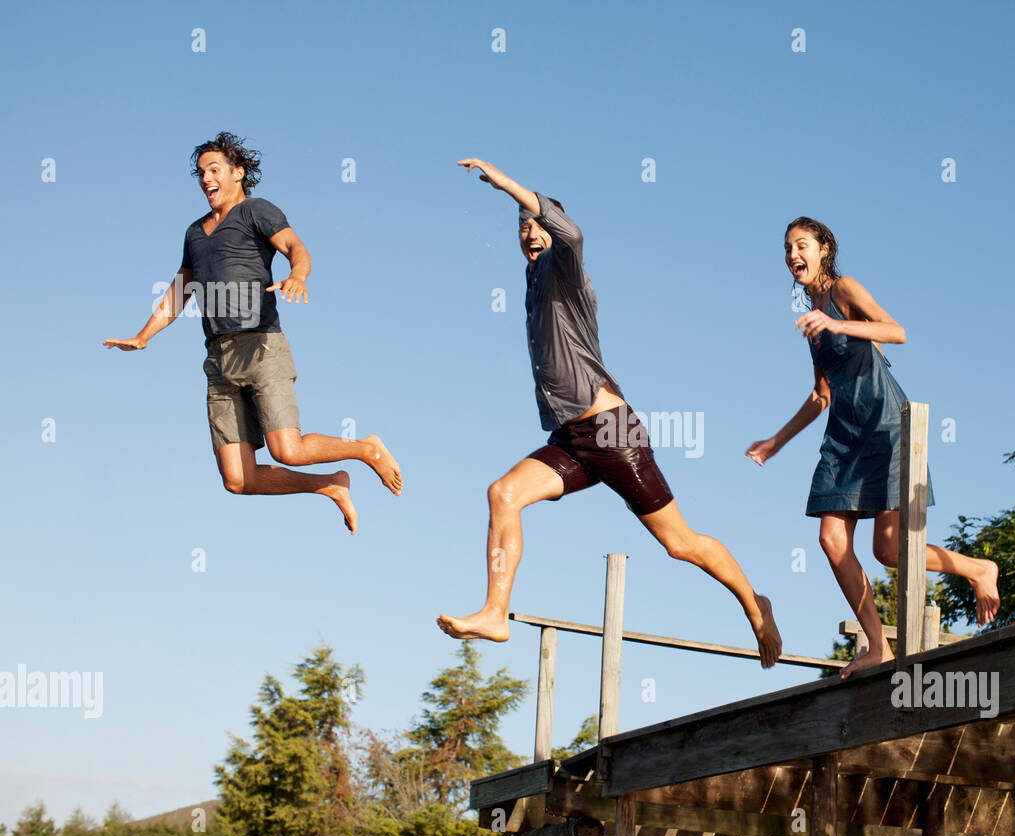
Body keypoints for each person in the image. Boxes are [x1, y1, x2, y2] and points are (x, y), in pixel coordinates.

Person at [437, 158, 783, 667]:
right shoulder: (532, 282)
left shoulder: (566, 270)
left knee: (679, 543)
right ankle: (495, 611)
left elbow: (571, 234)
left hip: (612, 432)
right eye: (521, 228)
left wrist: (508, 185)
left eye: (536, 224)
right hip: (572, 440)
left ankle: (756, 604)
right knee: (503, 494)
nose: (529, 233)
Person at [104, 132, 401, 534]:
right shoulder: (194, 233)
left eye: (214, 169)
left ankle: (365, 448)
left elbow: (296, 246)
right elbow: (180, 289)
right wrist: (144, 336)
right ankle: (331, 484)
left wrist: (298, 275)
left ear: (237, 173)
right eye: (200, 172)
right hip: (219, 358)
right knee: (239, 480)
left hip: (261, 345)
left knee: (287, 450)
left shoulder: (256, 211)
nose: (205, 178)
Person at [746, 217, 1000, 678]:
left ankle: (978, 569)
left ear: (824, 248)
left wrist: (841, 324)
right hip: (843, 432)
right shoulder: (812, 313)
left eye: (801, 245)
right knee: (830, 539)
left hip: (885, 422)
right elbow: (821, 395)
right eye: (786, 249)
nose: (791, 256)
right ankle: (877, 644)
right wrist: (774, 443)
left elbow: (896, 330)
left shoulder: (843, 290)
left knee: (889, 548)